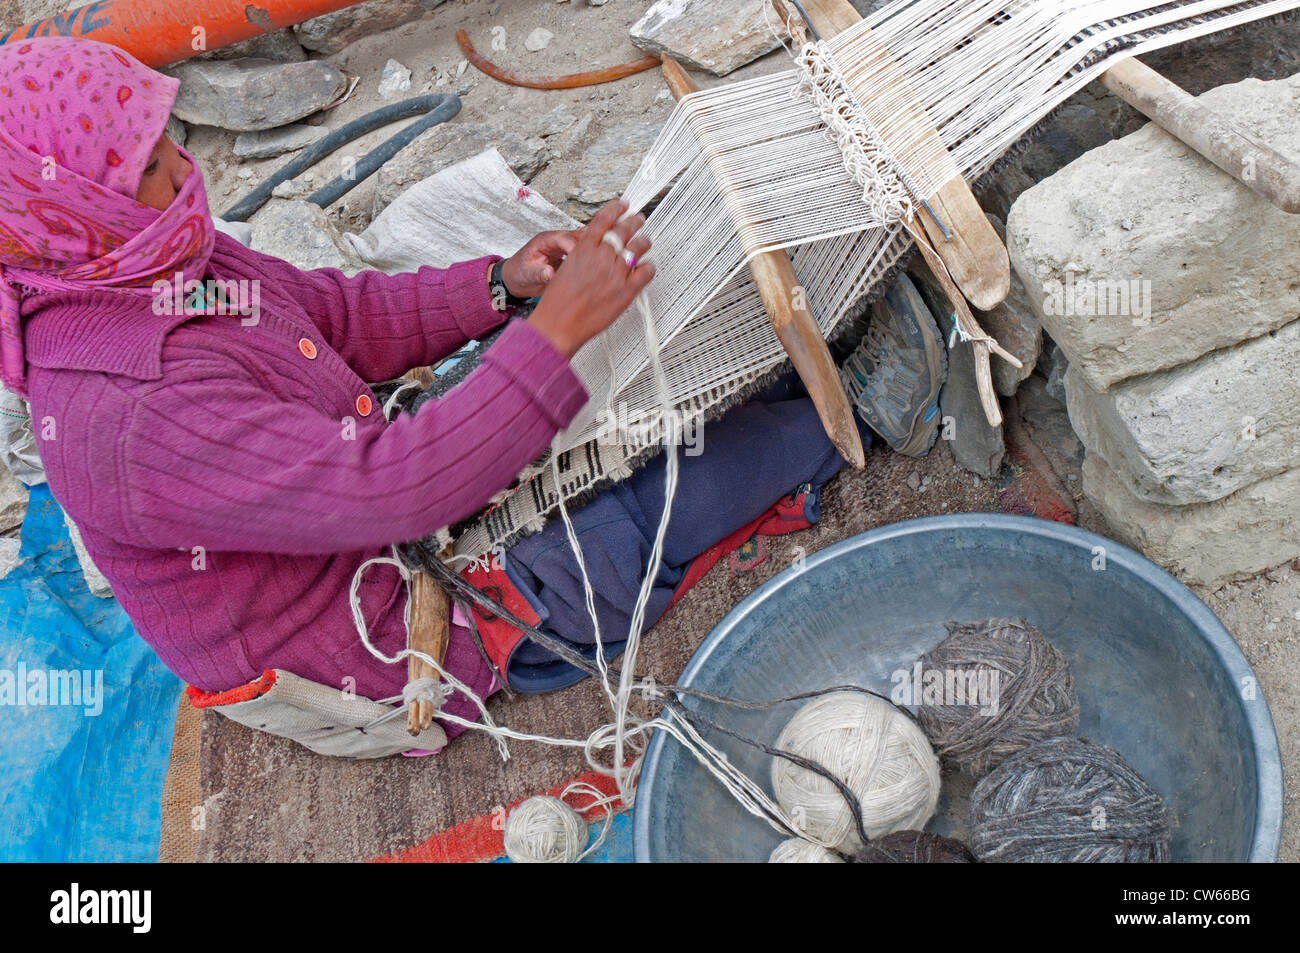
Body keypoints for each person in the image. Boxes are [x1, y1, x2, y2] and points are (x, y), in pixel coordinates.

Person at [0, 38, 938, 750]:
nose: (184, 170)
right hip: (364, 630)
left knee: (605, 362)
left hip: (349, 481)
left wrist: (501, 287)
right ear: (76, 214)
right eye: (150, 166)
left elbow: (324, 313)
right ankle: (851, 404)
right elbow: (393, 493)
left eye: (169, 137)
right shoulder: (128, 415)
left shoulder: (142, 254)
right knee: (624, 519)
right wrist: (553, 334)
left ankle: (793, 331)